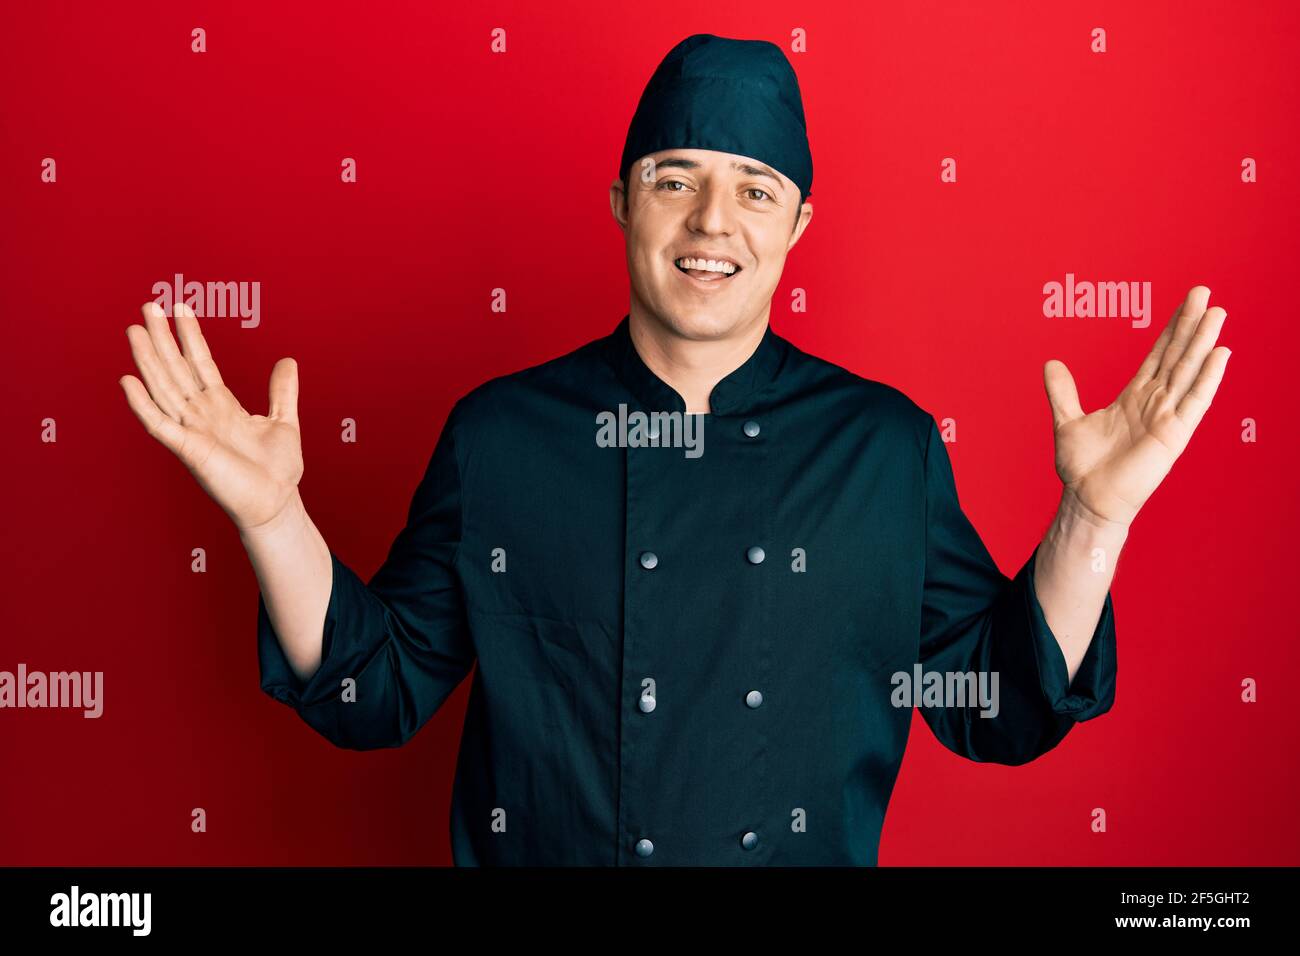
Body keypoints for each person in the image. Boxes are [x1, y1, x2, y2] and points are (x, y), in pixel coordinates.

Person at [118, 33, 1230, 866]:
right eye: (674, 179)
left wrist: (1093, 517)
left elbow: (998, 706)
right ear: (619, 202)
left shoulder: (881, 448)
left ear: (796, 225)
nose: (712, 222)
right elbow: (377, 692)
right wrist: (273, 518)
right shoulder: (500, 434)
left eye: (755, 189)